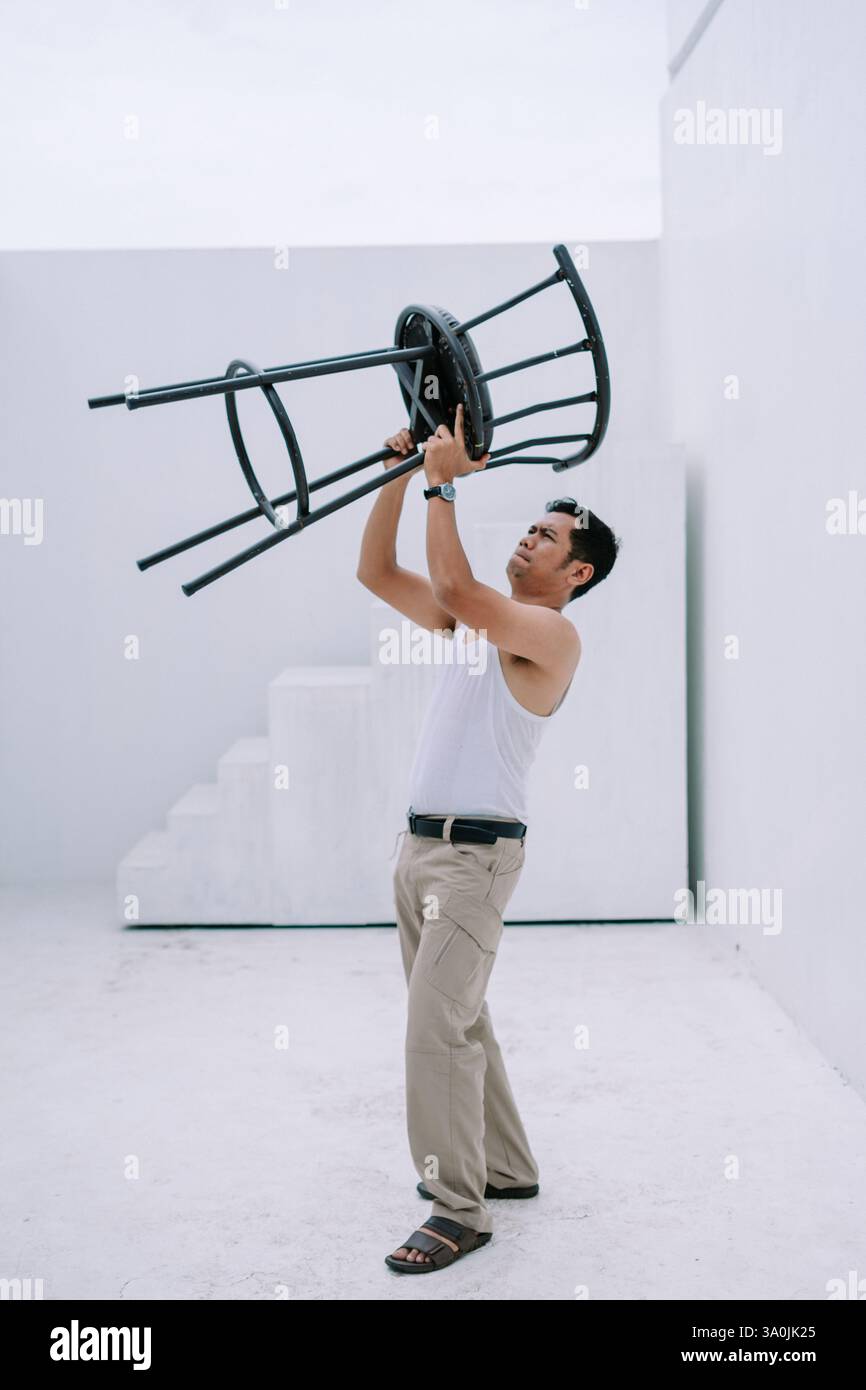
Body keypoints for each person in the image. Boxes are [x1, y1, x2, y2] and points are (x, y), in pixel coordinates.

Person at [356, 404, 620, 1274]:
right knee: (459, 1021)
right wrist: (402, 473)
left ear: (576, 571)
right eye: (532, 528)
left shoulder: (549, 636)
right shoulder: (474, 625)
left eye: (547, 538)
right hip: (419, 851)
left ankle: (457, 1209)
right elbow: (374, 570)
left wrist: (441, 483)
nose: (529, 541)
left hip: (476, 860)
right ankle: (504, 1169)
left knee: (434, 1031)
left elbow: (460, 590)